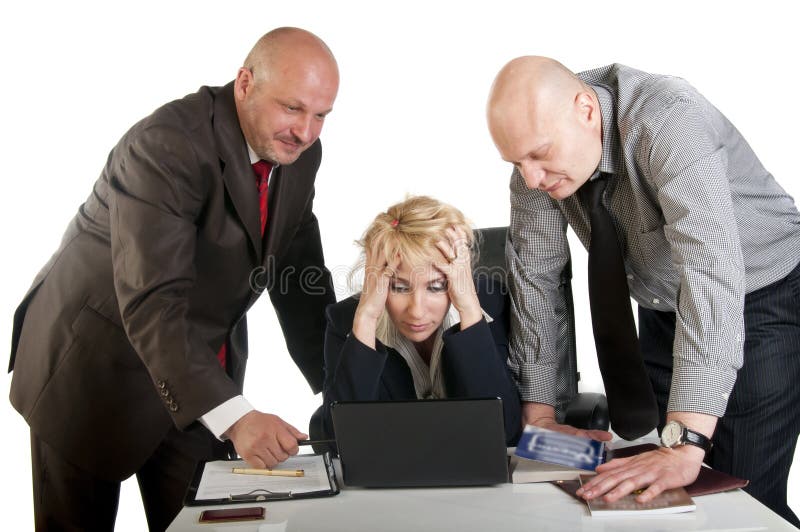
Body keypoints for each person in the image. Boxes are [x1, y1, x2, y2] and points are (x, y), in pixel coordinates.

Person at [8, 27, 339, 531]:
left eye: (321, 115)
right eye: (292, 108)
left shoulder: (298, 152)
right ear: (245, 83)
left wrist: (343, 383)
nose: (306, 131)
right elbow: (153, 302)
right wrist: (238, 417)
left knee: (208, 522)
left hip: (195, 371)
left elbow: (297, 274)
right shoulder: (166, 146)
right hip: (93, 366)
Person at [486, 56, 800, 526]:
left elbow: (711, 272)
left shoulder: (669, 120)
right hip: (664, 303)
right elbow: (536, 280)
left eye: (538, 155)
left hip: (759, 294)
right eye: (516, 163)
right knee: (666, 496)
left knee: (744, 500)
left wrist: (688, 441)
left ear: (586, 110)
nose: (530, 178)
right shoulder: (537, 157)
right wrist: (542, 416)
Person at [315, 196, 522, 447]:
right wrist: (366, 318)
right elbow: (336, 443)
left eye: (435, 287)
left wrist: (469, 310)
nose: (416, 311)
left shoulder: (493, 305)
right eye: (399, 287)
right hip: (393, 468)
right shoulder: (346, 322)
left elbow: (505, 432)